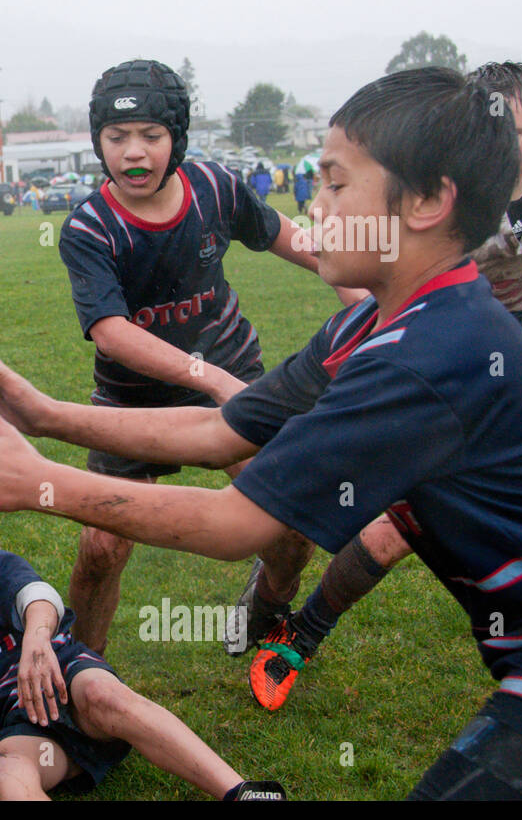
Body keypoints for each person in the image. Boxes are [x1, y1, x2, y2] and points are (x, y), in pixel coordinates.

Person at [0, 67, 522, 800]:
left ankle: (270, 616)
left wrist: (36, 485)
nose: (312, 207)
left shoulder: (423, 358)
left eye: (335, 184)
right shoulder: (373, 322)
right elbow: (218, 428)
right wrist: (44, 416)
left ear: (428, 201)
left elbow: (229, 524)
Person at [240, 60, 522, 712]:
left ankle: (293, 626)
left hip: (482, 378)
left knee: (395, 524)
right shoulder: (446, 196)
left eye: (512, 126)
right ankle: (288, 621)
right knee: (370, 521)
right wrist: (374, 326)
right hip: (427, 359)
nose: (495, 135)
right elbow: (388, 274)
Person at [58, 59, 337, 656]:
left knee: (290, 528)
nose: (134, 153)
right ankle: (77, 672)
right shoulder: (90, 228)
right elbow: (110, 331)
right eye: (117, 138)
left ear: (176, 138)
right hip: (134, 403)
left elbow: (291, 239)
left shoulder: (216, 188)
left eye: (151, 136)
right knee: (102, 548)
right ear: (97, 142)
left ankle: (266, 606)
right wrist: (207, 379)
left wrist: (363, 288)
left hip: (232, 373)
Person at [0, 534, 286, 800]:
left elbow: (37, 597)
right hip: (24, 720)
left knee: (101, 694)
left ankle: (241, 792)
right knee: (4, 767)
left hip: (66, 674)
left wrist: (36, 639)